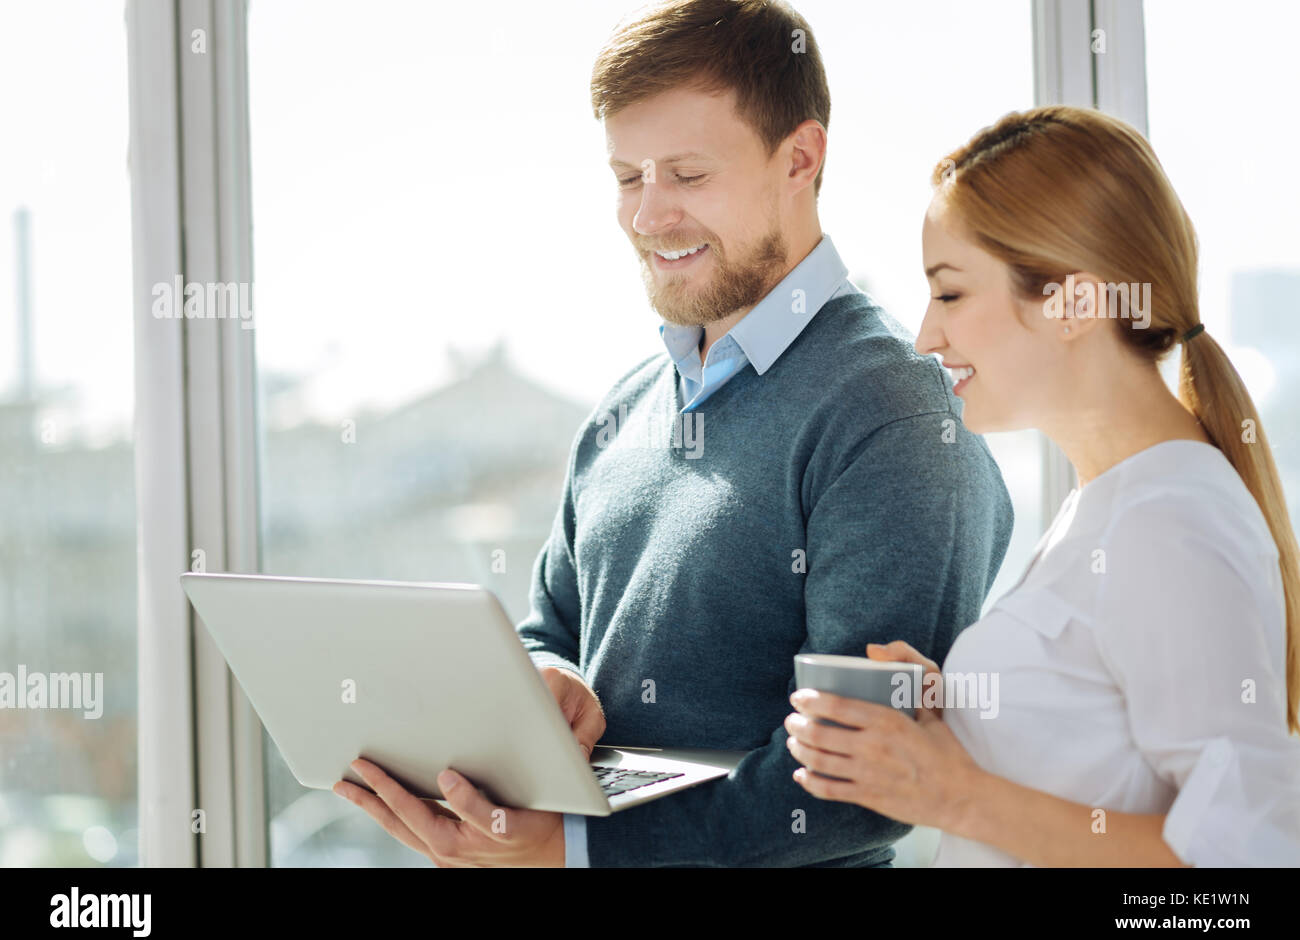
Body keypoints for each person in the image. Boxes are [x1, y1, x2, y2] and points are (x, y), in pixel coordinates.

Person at [334, 0, 1012, 866]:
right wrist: (552, 686)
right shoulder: (623, 410)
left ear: (800, 158)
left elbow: (861, 785)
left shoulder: (891, 415)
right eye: (627, 178)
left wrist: (576, 854)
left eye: (687, 175)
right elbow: (553, 626)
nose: (647, 216)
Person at [785, 104, 1300, 866]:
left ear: (1076, 304)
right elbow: (1098, 743)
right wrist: (962, 704)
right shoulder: (1114, 506)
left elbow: (1242, 871)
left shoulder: (1167, 525)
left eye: (952, 292)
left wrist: (949, 792)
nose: (926, 334)